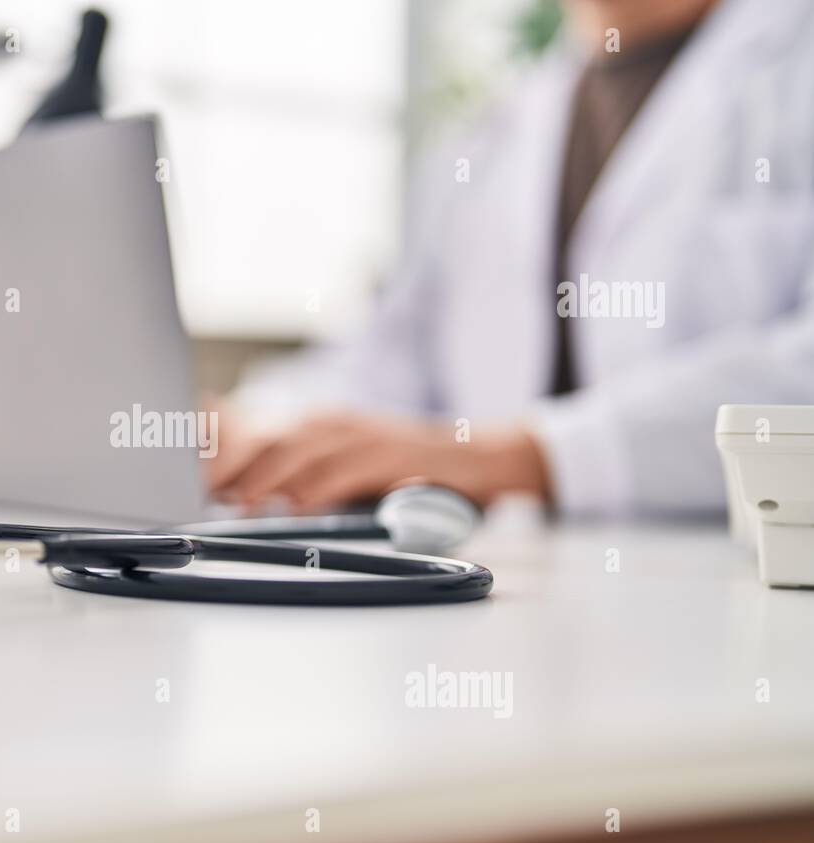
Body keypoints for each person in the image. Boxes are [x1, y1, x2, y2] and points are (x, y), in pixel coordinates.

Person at [209, 0, 814, 519]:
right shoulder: (496, 127)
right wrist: (261, 427)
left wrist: (523, 458)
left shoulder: (792, 68)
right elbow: (388, 360)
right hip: (513, 593)